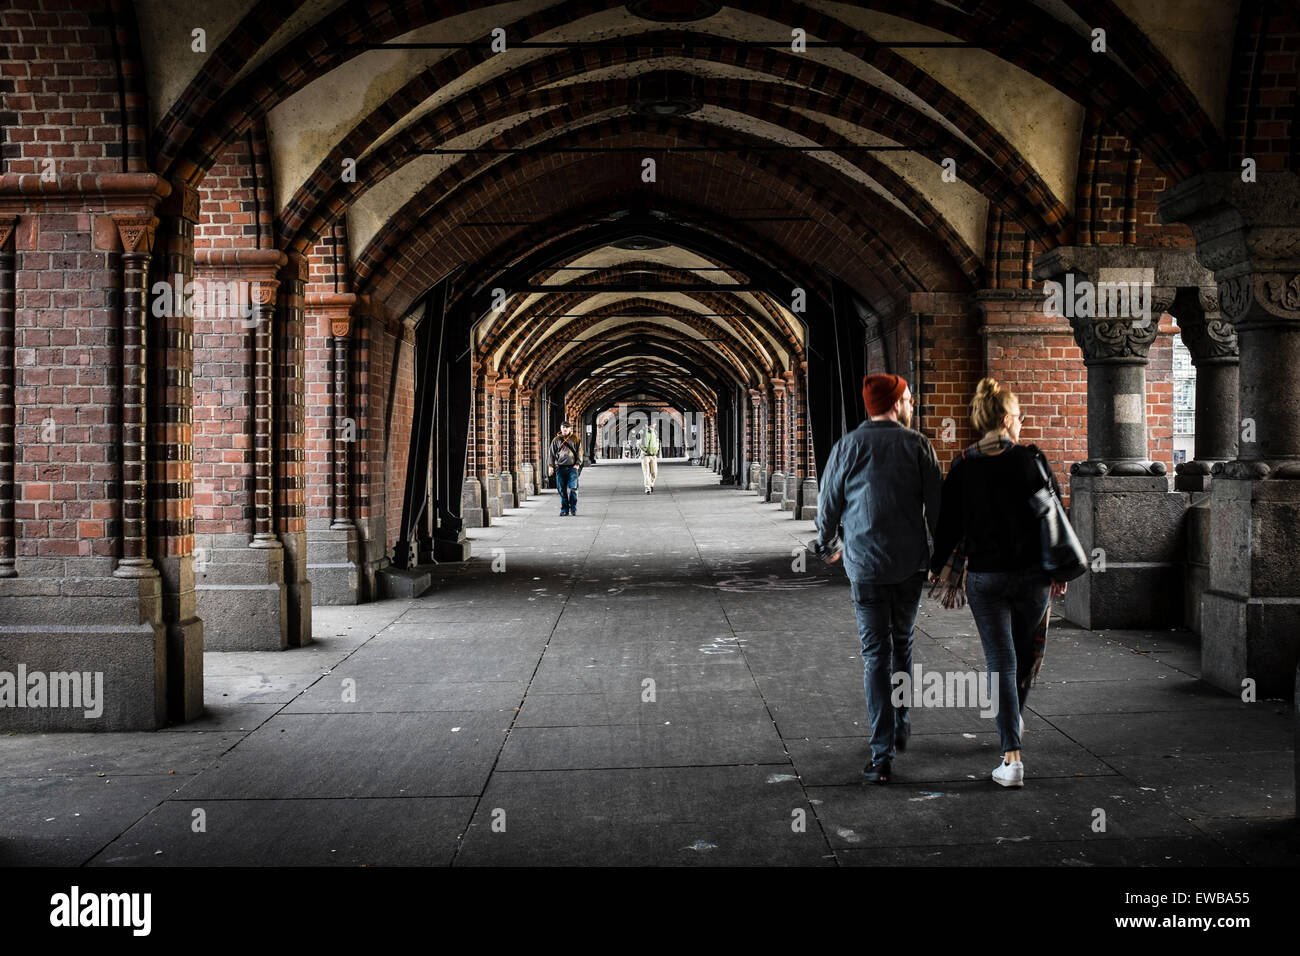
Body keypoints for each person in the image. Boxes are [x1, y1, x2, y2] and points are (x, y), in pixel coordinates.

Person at [929, 378, 1069, 789]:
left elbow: (947, 524)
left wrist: (939, 566)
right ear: (1007, 419)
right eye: (1020, 416)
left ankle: (1011, 757)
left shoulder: (963, 466)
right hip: (1033, 577)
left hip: (986, 579)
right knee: (1024, 660)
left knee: (1001, 664)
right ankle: (1013, 726)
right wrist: (1058, 570)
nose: (1022, 423)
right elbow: (1052, 517)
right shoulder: (1030, 461)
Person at [812, 374, 941, 784]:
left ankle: (880, 753)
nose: (913, 403)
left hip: (865, 566)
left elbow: (827, 506)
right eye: (909, 398)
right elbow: (938, 510)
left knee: (874, 655)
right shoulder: (917, 445)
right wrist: (941, 557)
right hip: (909, 566)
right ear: (896, 402)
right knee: (902, 643)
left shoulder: (848, 446)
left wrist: (827, 546)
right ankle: (901, 720)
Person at [549, 422, 582, 517]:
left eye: (567, 427)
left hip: (572, 468)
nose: (565, 429)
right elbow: (551, 453)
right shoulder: (556, 440)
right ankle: (564, 509)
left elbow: (580, 451)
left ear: (570, 429)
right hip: (560, 468)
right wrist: (550, 466)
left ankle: (573, 508)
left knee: (573, 488)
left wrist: (577, 464)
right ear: (561, 428)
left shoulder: (575, 439)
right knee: (561, 489)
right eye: (563, 427)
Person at [639, 425, 660, 494]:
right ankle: (647, 488)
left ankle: (651, 484)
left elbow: (657, 441)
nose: (654, 425)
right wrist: (644, 449)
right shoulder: (642, 432)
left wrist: (657, 450)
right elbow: (638, 441)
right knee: (646, 472)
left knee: (654, 473)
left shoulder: (655, 432)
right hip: (645, 456)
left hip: (653, 456)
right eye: (653, 423)